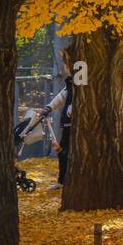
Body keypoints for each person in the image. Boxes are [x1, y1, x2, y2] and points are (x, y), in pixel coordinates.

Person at [40, 47, 77, 190]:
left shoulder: (80, 77)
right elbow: (62, 96)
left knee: (67, 151)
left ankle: (67, 179)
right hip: (67, 123)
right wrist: (48, 108)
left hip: (75, 124)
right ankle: (62, 180)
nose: (65, 65)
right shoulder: (70, 81)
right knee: (62, 151)